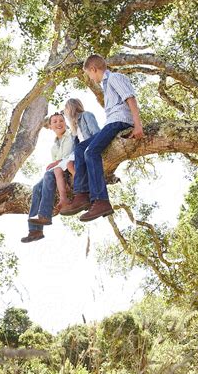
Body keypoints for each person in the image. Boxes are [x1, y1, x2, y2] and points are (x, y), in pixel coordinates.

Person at [60, 54, 144, 222]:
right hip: (111, 123)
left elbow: (130, 99)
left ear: (94, 69)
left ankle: (101, 201)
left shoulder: (114, 78)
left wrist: (138, 125)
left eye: (89, 74)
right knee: (80, 148)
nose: (90, 78)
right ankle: (82, 194)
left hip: (120, 122)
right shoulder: (106, 86)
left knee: (91, 152)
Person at [21, 112, 74, 243]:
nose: (58, 123)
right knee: (36, 188)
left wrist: (55, 163)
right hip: (57, 171)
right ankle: (35, 231)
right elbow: (55, 163)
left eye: (61, 120)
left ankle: (45, 214)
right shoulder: (54, 146)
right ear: (50, 126)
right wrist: (54, 164)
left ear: (65, 123)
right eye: (54, 122)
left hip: (69, 167)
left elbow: (68, 156)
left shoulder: (71, 135)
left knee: (48, 175)